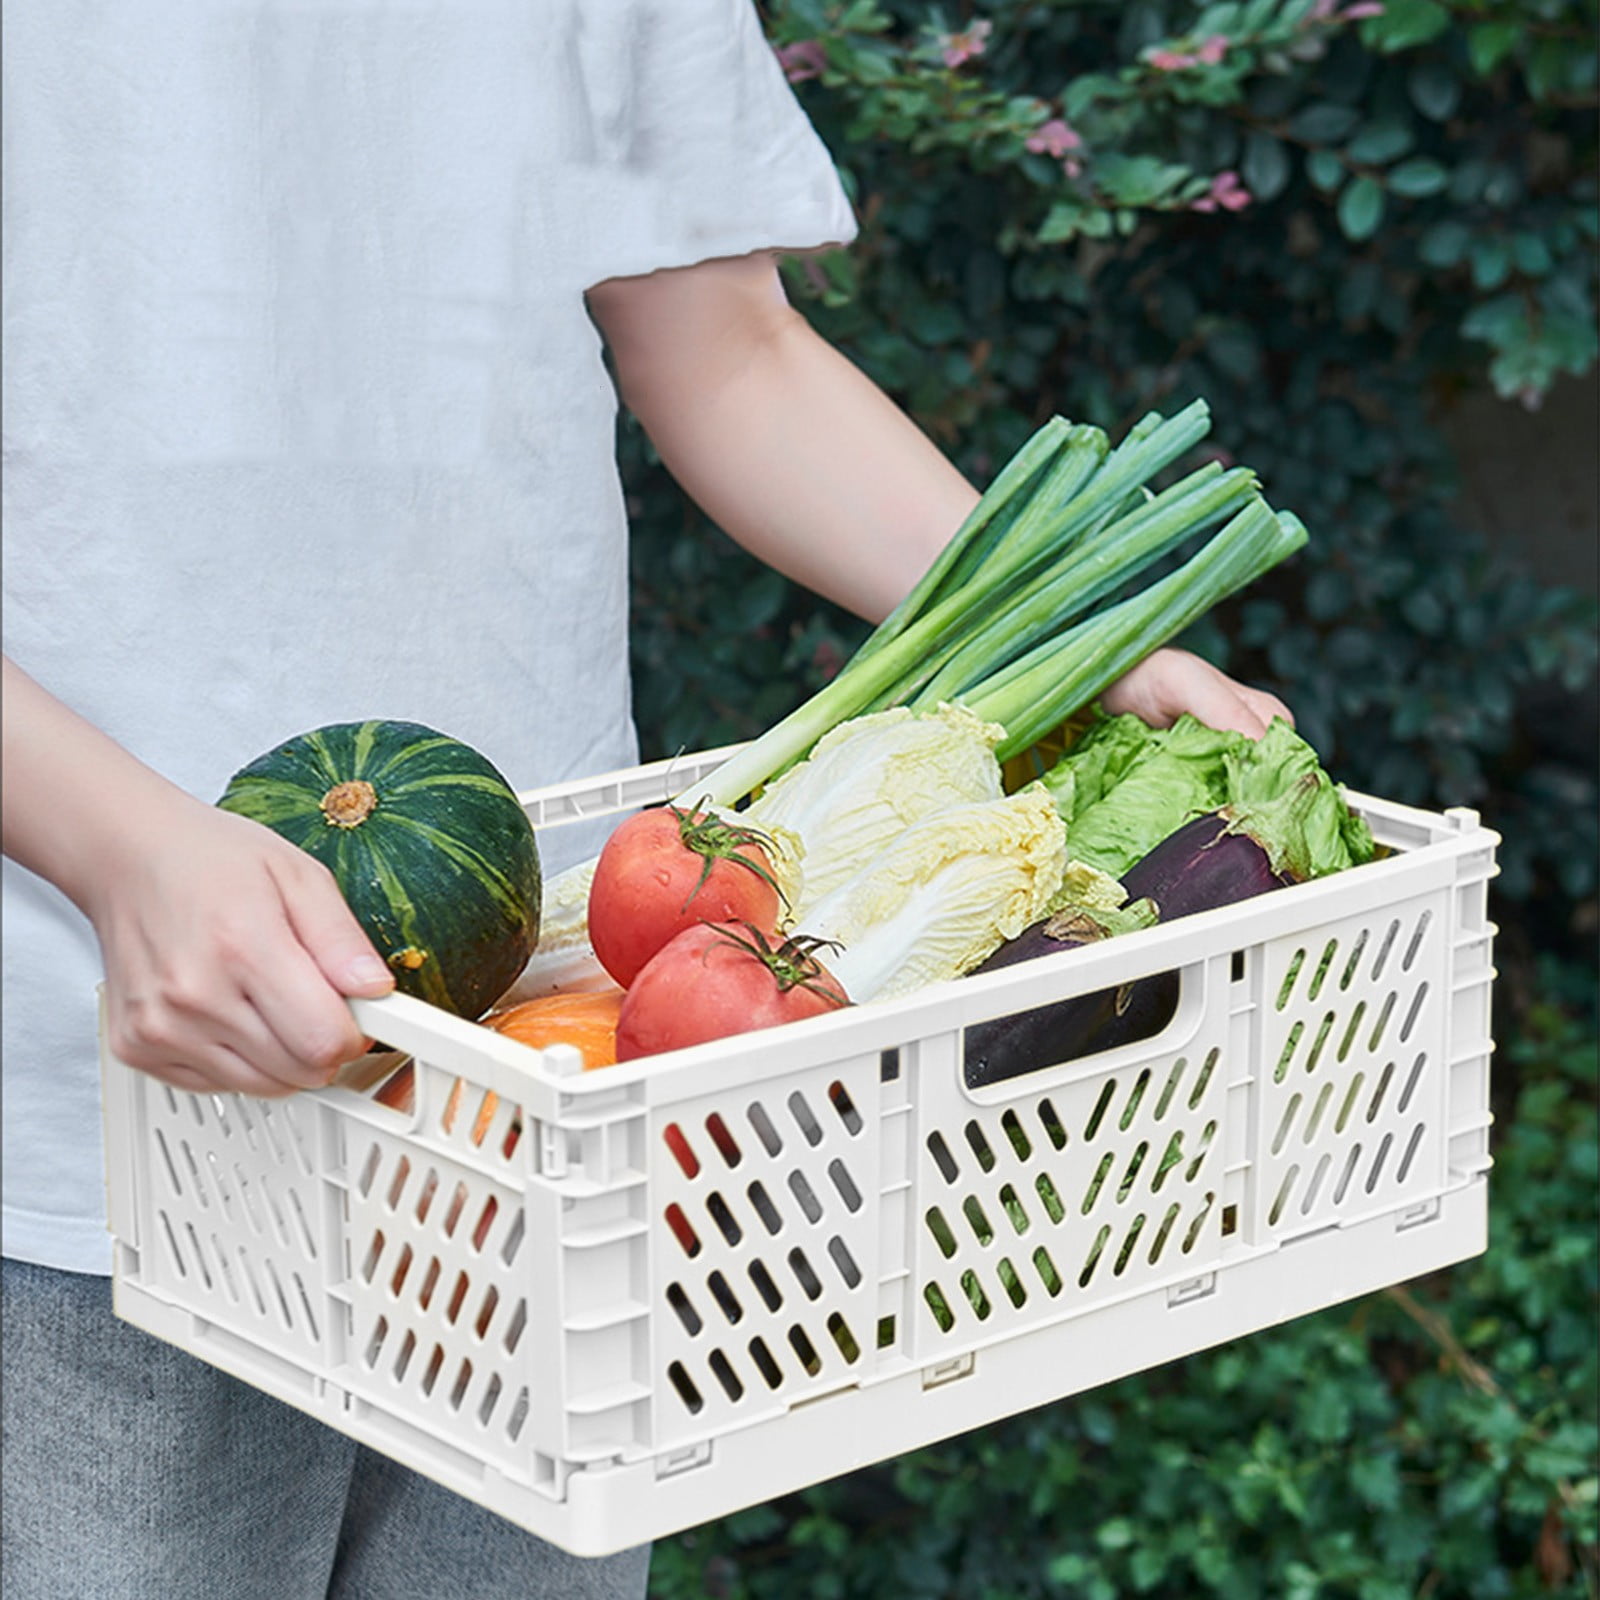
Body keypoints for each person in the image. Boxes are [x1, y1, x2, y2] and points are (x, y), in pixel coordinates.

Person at [0, 3, 1291, 1596]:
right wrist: (113, 847)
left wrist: (1064, 645)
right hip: (95, 1105)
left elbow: (726, 346)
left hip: (573, 1080)